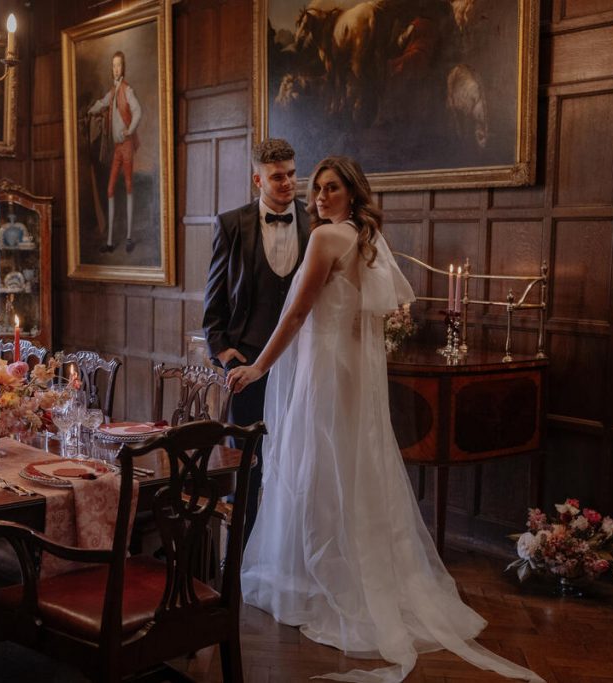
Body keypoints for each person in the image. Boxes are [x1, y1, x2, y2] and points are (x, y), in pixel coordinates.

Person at [226, 156, 544, 683]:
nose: (320, 197)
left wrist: (260, 366)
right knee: (347, 471)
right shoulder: (366, 238)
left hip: (325, 371)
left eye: (332, 189)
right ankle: (345, 572)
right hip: (351, 371)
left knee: (316, 471)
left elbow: (298, 314)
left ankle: (317, 579)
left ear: (352, 193)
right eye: (318, 189)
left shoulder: (327, 239)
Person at [202, 137, 311, 541]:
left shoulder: (314, 222)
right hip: (248, 366)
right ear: (257, 179)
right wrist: (224, 352)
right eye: (277, 177)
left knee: (298, 461)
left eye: (291, 174)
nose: (287, 183)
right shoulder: (232, 224)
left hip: (303, 362)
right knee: (248, 463)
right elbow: (213, 300)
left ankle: (287, 552)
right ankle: (242, 558)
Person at [87, 51, 142, 254]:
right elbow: (101, 103)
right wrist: (90, 110)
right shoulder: (113, 92)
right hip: (117, 149)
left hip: (126, 146)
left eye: (118, 65)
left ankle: (128, 237)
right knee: (110, 189)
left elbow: (138, 111)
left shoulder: (127, 90)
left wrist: (130, 129)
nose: (115, 69)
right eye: (113, 66)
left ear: (123, 68)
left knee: (128, 187)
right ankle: (110, 241)